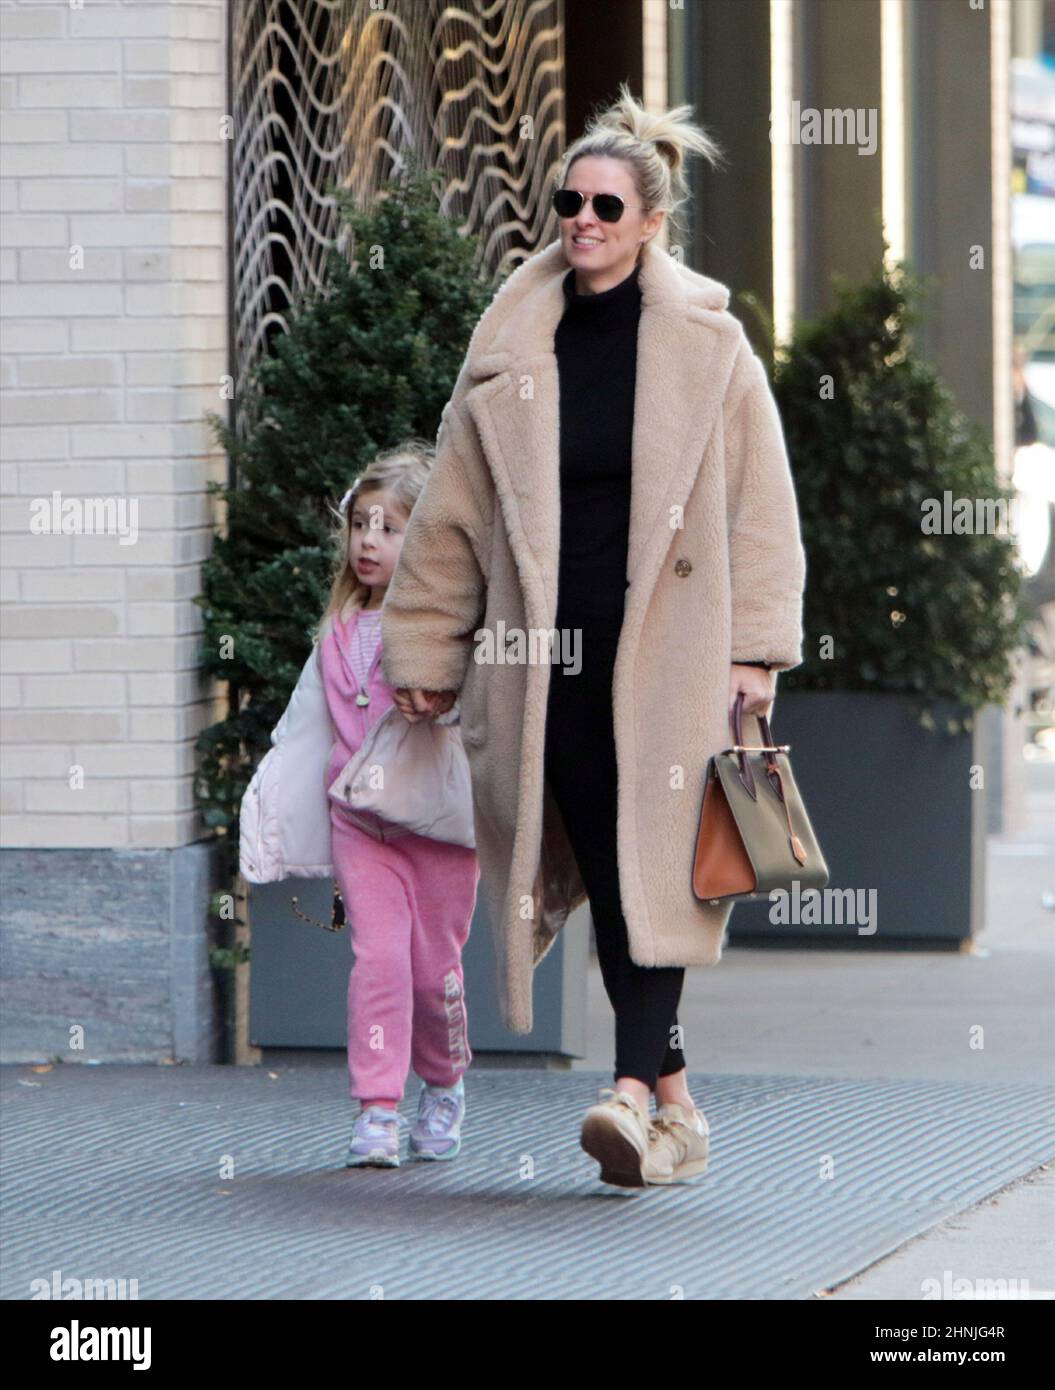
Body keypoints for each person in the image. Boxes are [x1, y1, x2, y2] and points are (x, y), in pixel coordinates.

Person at [380, 86, 807, 1188]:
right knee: (615, 868)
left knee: (650, 863)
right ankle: (670, 1102)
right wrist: (425, 652)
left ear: (650, 219)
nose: (581, 220)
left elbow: (761, 505)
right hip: (542, 661)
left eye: (605, 206)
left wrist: (754, 649)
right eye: (568, 202)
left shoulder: (712, 346)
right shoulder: (510, 347)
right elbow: (451, 517)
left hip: (669, 658)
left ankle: (626, 1089)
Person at [319, 442, 480, 1168]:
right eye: (360, 525)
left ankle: (443, 1083)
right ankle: (376, 1109)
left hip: (440, 827)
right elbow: (305, 730)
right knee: (377, 959)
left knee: (429, 972)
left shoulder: (445, 631)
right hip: (361, 824)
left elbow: (477, 712)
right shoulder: (338, 630)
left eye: (387, 527)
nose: (368, 542)